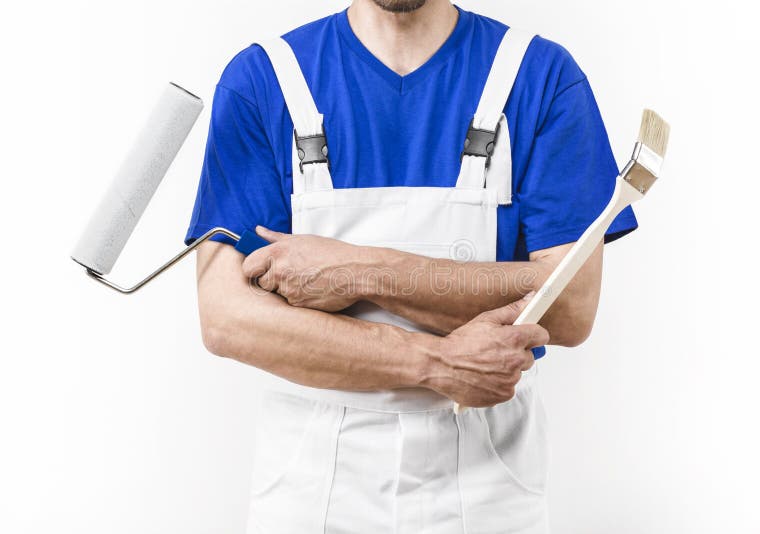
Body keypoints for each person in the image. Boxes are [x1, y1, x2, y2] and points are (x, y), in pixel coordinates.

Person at [185, 0, 637, 532]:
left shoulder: (540, 75)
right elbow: (226, 317)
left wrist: (361, 271)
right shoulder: (264, 78)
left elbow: (570, 306)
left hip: (487, 480)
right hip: (314, 481)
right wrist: (437, 362)